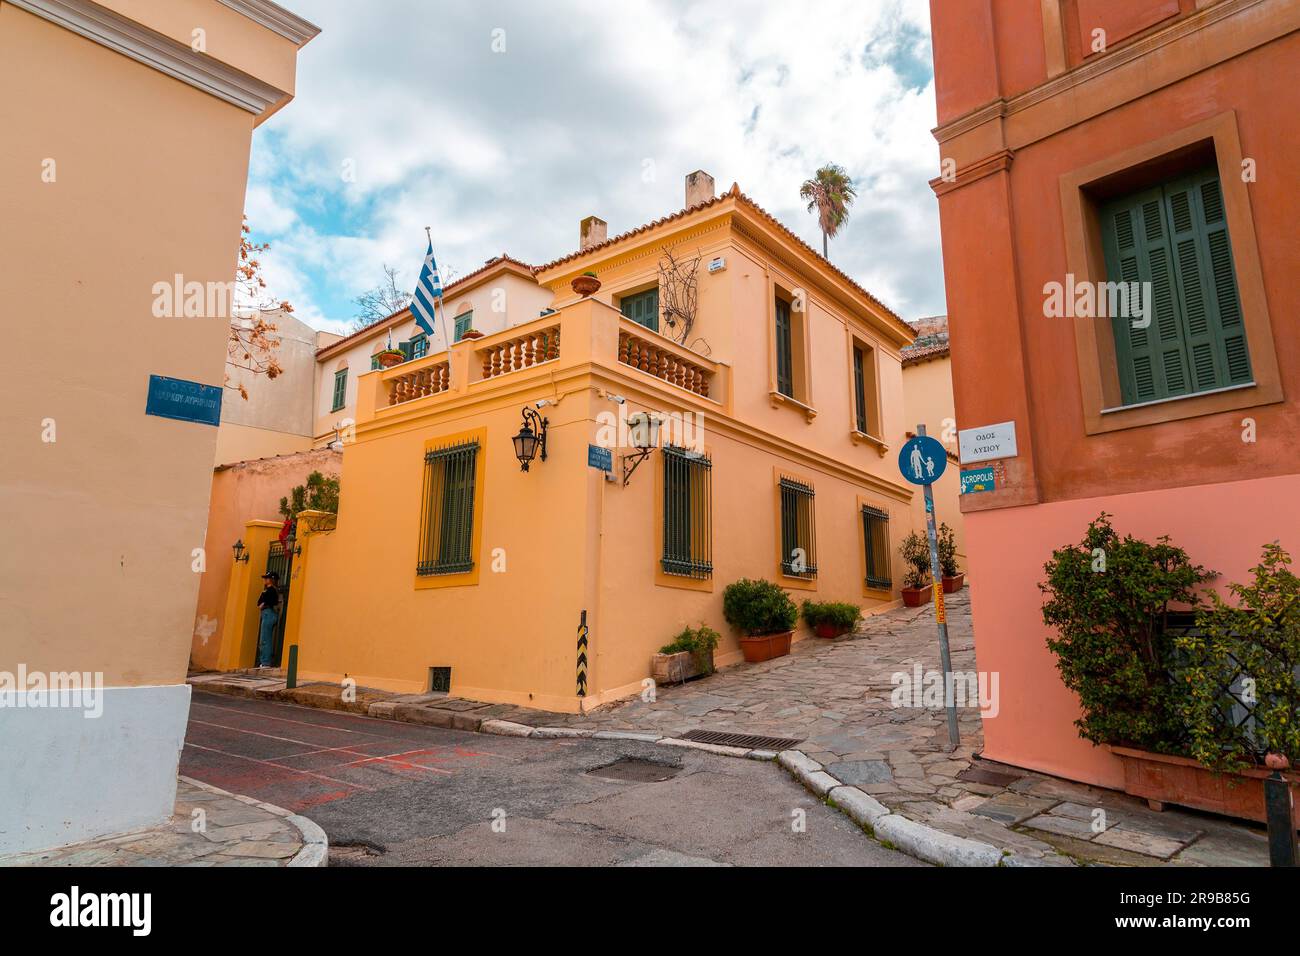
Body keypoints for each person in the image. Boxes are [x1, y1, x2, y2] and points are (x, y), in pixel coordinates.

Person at [256, 571, 280, 667]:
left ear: (272, 579)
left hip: (268, 613)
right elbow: (259, 603)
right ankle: (264, 661)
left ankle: (266, 662)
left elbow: (266, 603)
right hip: (267, 613)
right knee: (264, 638)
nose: (265, 579)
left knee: (265, 639)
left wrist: (263, 604)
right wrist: (262, 604)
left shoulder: (271, 590)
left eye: (267, 578)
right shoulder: (267, 590)